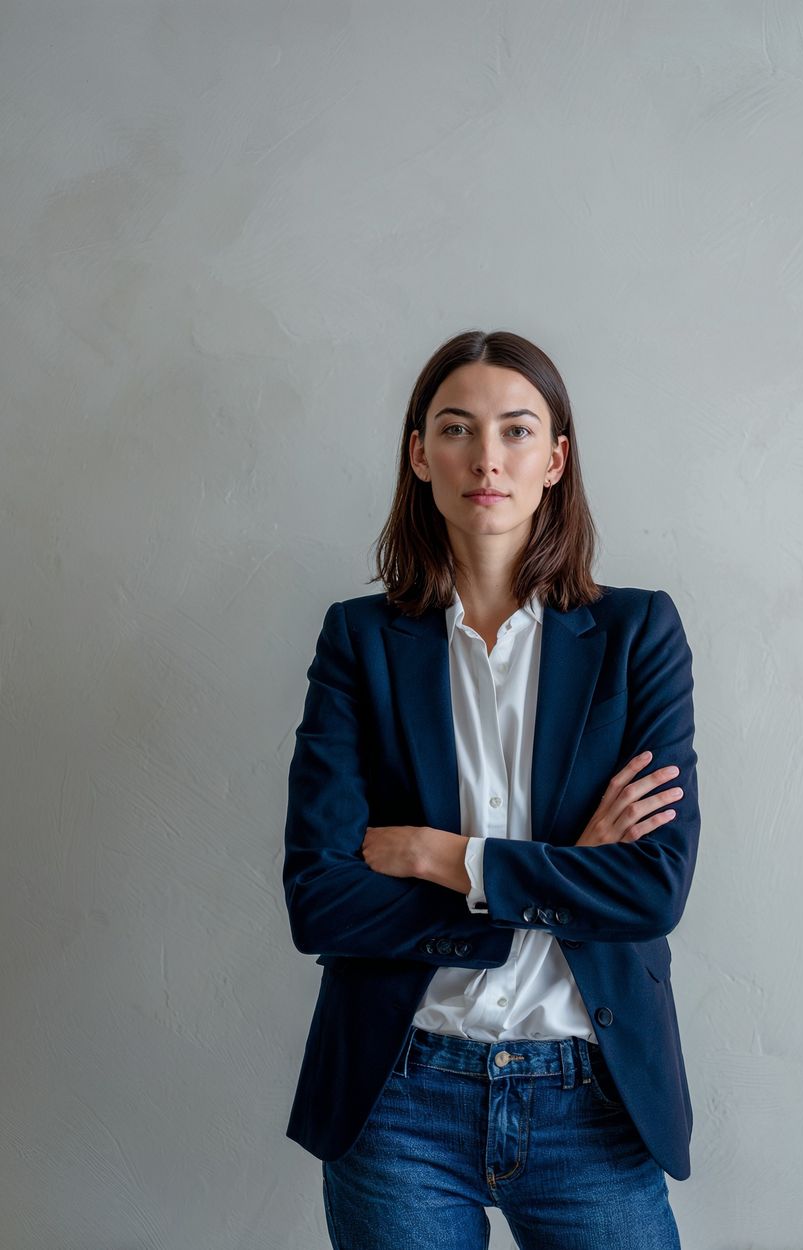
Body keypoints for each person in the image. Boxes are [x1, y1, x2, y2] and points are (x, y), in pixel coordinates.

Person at [282, 329, 700, 1249]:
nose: (486, 458)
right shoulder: (360, 644)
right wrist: (556, 877)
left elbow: (653, 888)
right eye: (457, 429)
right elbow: (318, 900)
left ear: (555, 459)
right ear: (419, 454)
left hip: (591, 1095)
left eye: (516, 431)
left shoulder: (637, 637)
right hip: (399, 1094)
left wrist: (447, 857)